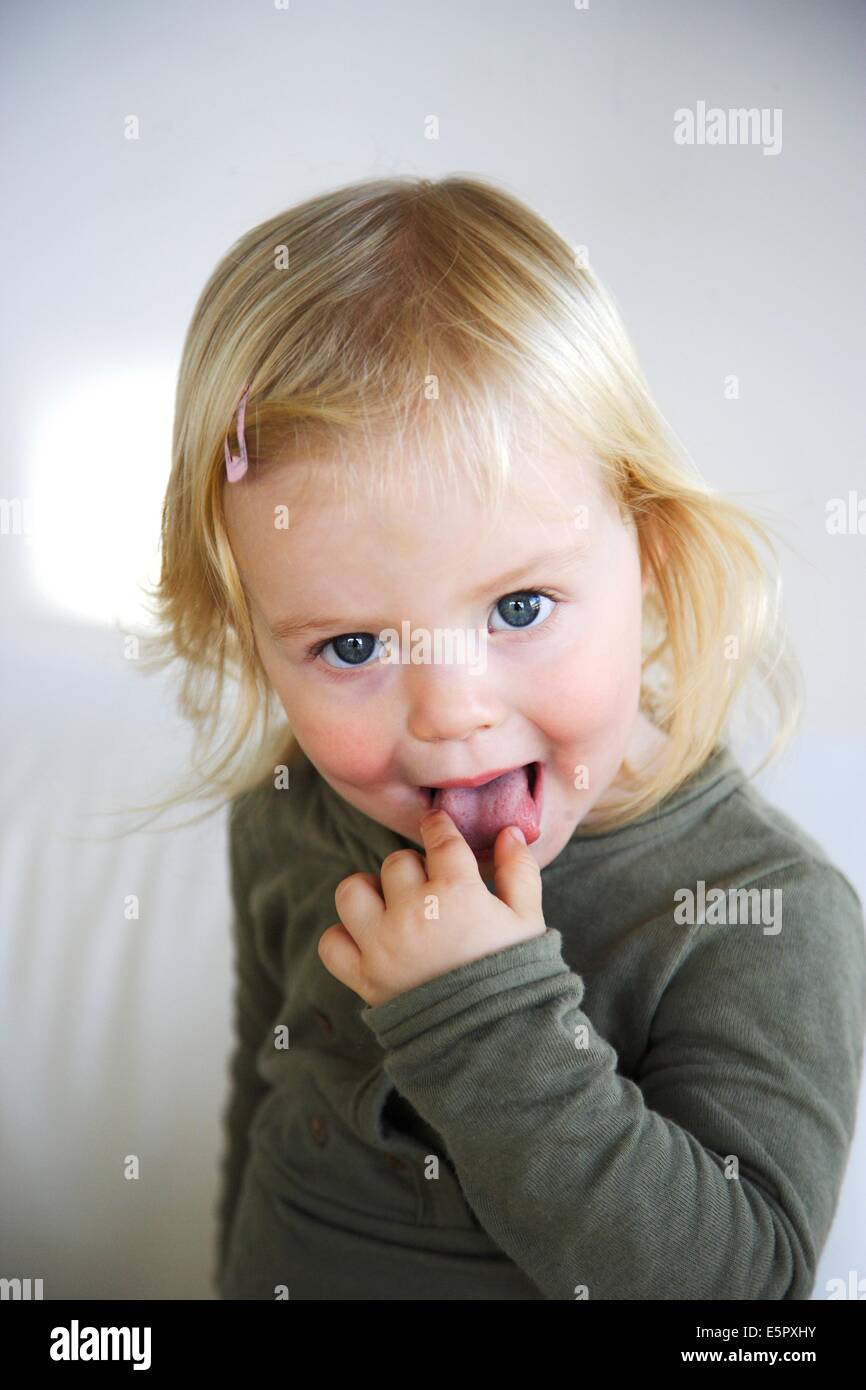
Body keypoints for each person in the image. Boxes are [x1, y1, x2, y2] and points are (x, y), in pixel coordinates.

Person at [141, 175, 866, 1299]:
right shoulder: (288, 814)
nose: (451, 711)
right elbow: (264, 1113)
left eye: (518, 608)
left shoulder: (756, 910)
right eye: (350, 646)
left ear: (651, 554)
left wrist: (484, 1017)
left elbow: (746, 1300)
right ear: (255, 639)